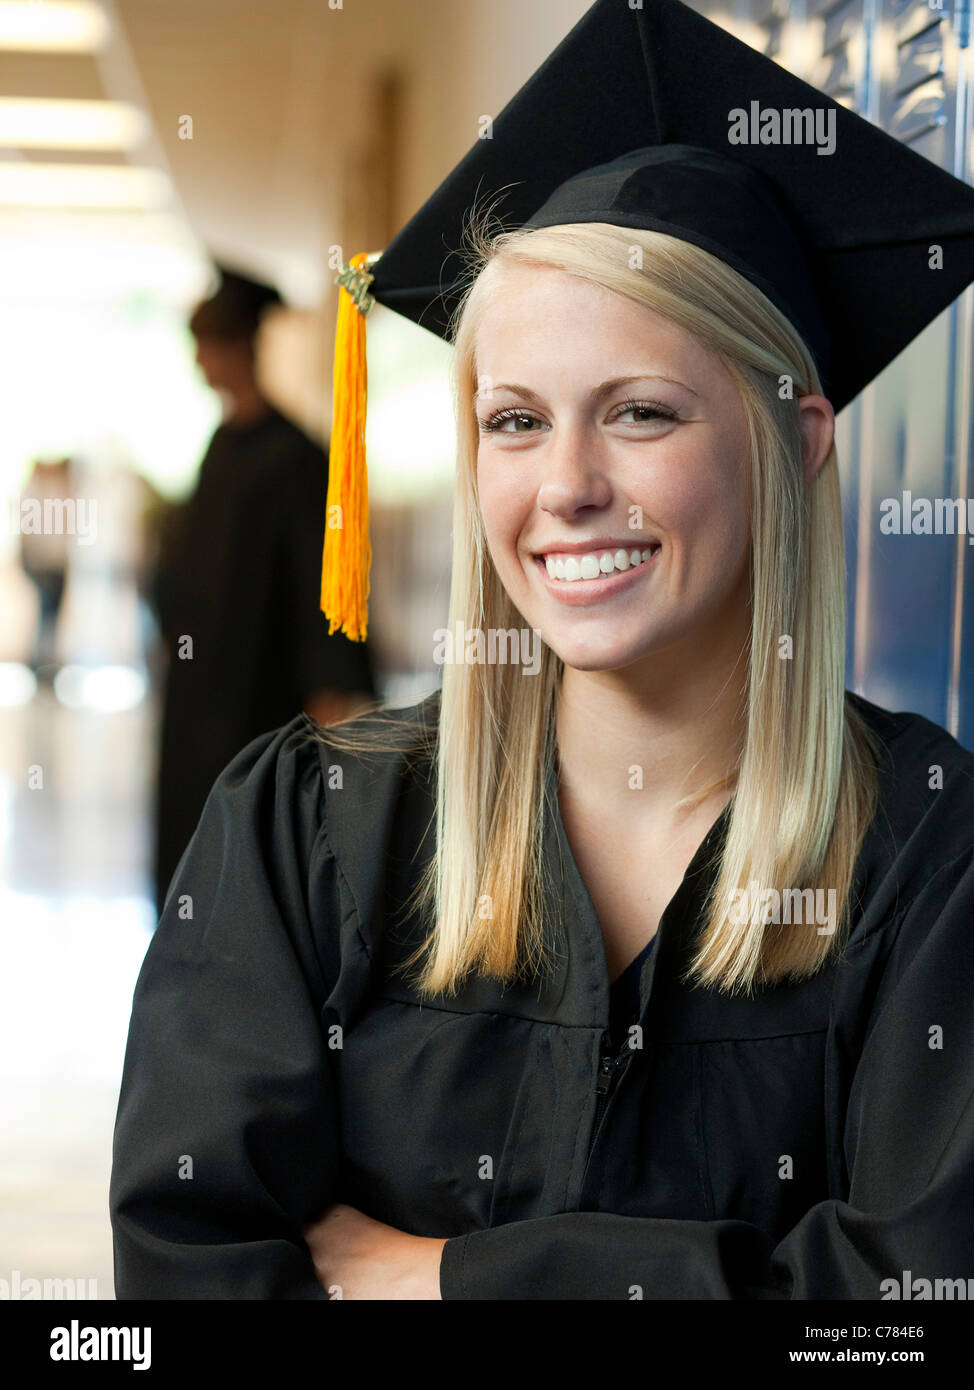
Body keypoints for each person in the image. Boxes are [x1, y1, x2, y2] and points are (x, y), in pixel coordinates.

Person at [111, 0, 974, 1299]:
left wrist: (443, 1276)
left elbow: (910, 1306)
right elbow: (197, 1271)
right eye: (513, 420)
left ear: (794, 443)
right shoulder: (308, 828)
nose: (563, 485)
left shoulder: (923, 850)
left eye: (638, 411)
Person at [151, 265, 376, 914]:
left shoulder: (295, 458)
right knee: (192, 849)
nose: (198, 361)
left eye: (207, 344)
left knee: (254, 862)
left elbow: (320, 583)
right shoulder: (221, 446)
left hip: (260, 697)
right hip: (200, 694)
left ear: (238, 348)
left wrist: (330, 693)